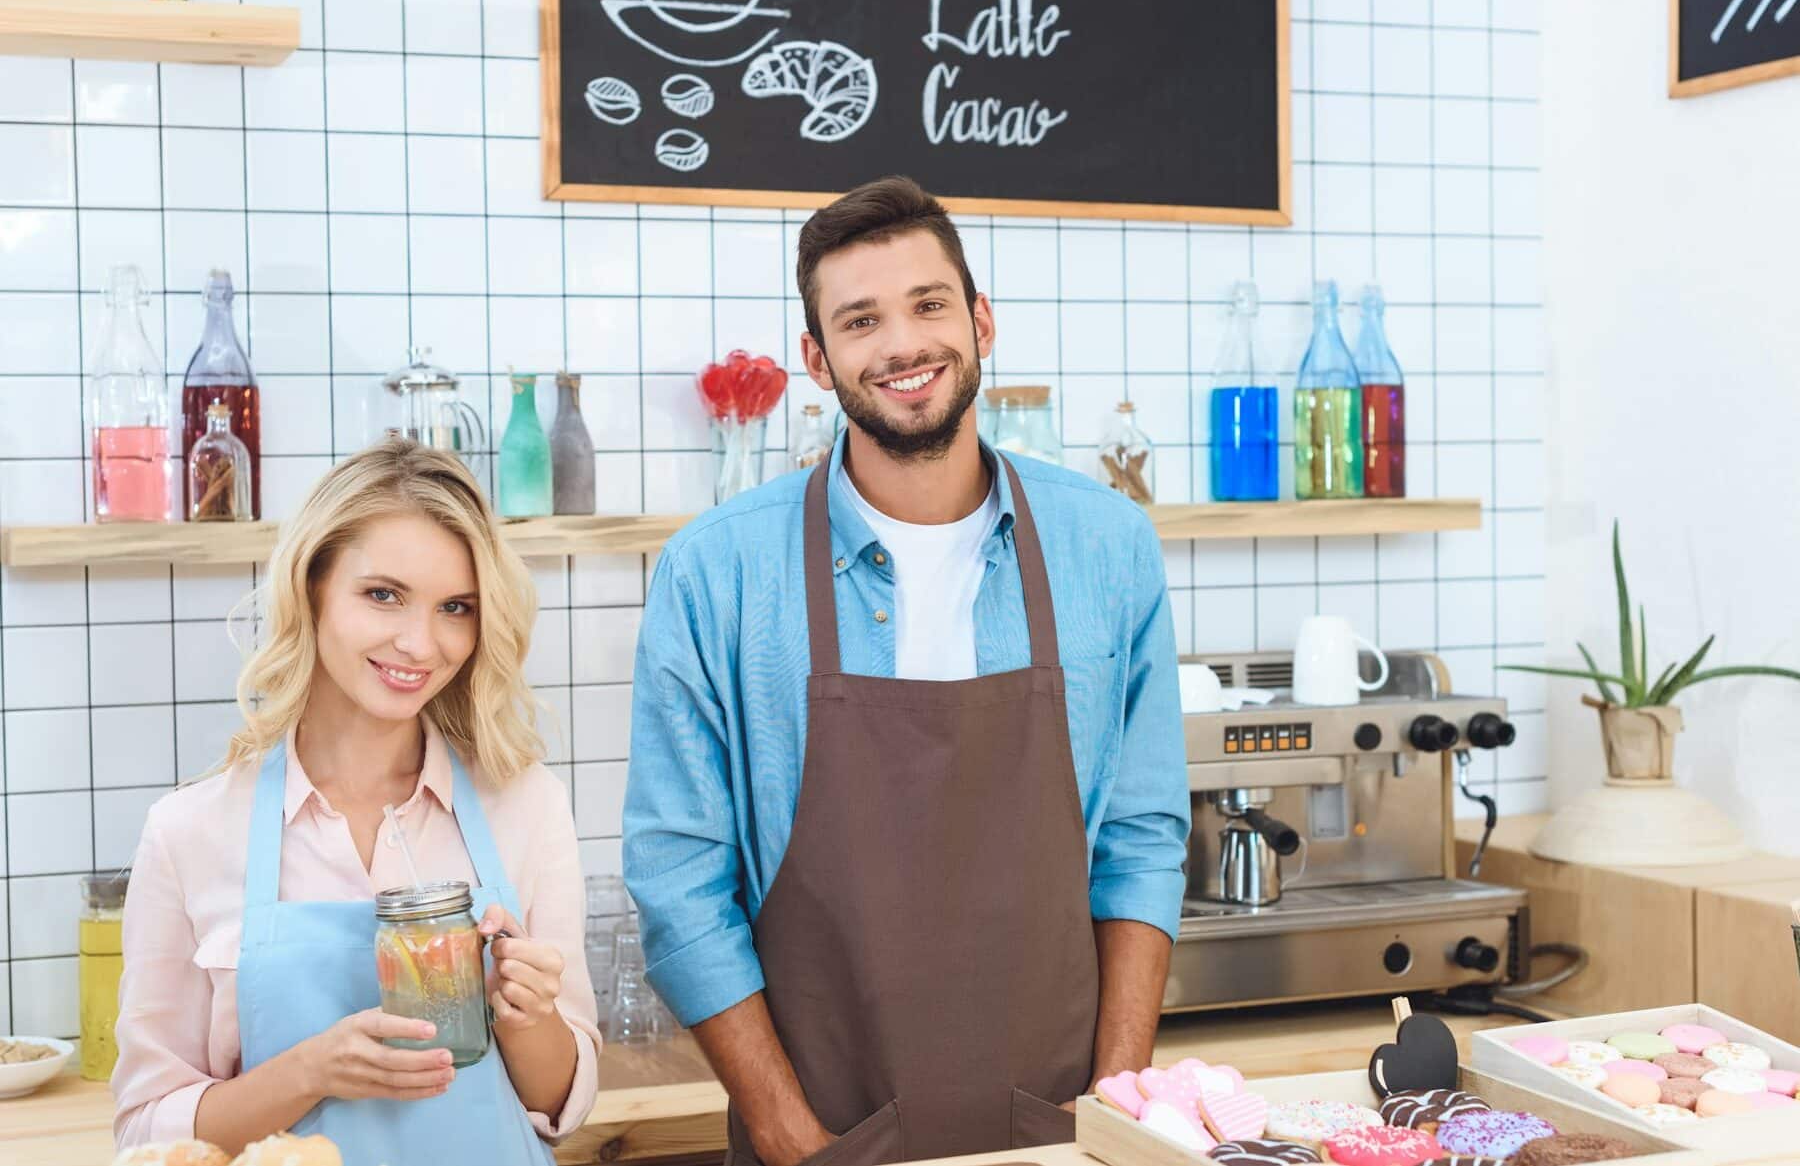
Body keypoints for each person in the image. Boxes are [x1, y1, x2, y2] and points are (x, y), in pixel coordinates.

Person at [624, 176, 1190, 1166]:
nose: (903, 343)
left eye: (929, 304)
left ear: (981, 320)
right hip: (819, 1142)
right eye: (861, 320)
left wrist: (1116, 1104)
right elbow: (679, 882)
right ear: (817, 358)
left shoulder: (1108, 545)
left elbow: (1141, 842)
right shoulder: (717, 572)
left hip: (1065, 1138)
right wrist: (790, 1136)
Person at [112, 440, 600, 1164]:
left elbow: (564, 1106)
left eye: (455, 608)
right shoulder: (190, 832)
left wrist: (528, 1017)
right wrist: (313, 1071)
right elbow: (147, 1128)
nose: (420, 643)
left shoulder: (526, 805)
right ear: (312, 587)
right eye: (383, 595)